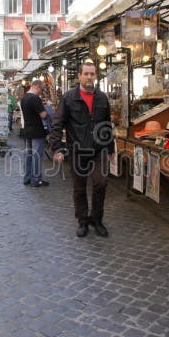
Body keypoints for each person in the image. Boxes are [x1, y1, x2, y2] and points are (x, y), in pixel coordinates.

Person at [50, 62, 115, 237]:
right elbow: (57, 123)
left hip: (98, 150)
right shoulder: (69, 98)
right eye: (86, 74)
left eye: (92, 74)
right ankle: (83, 220)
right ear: (79, 76)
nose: (89, 77)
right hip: (77, 150)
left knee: (101, 183)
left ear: (96, 76)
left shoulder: (102, 98)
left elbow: (107, 124)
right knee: (79, 188)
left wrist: (110, 148)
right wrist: (57, 147)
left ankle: (97, 219)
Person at [20, 80, 49, 187]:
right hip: (37, 131)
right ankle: (36, 179)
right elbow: (43, 115)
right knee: (36, 156)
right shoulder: (35, 98)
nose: (41, 92)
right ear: (37, 87)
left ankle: (27, 178)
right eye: (41, 89)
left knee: (28, 155)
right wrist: (47, 109)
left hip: (27, 130)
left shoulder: (24, 98)